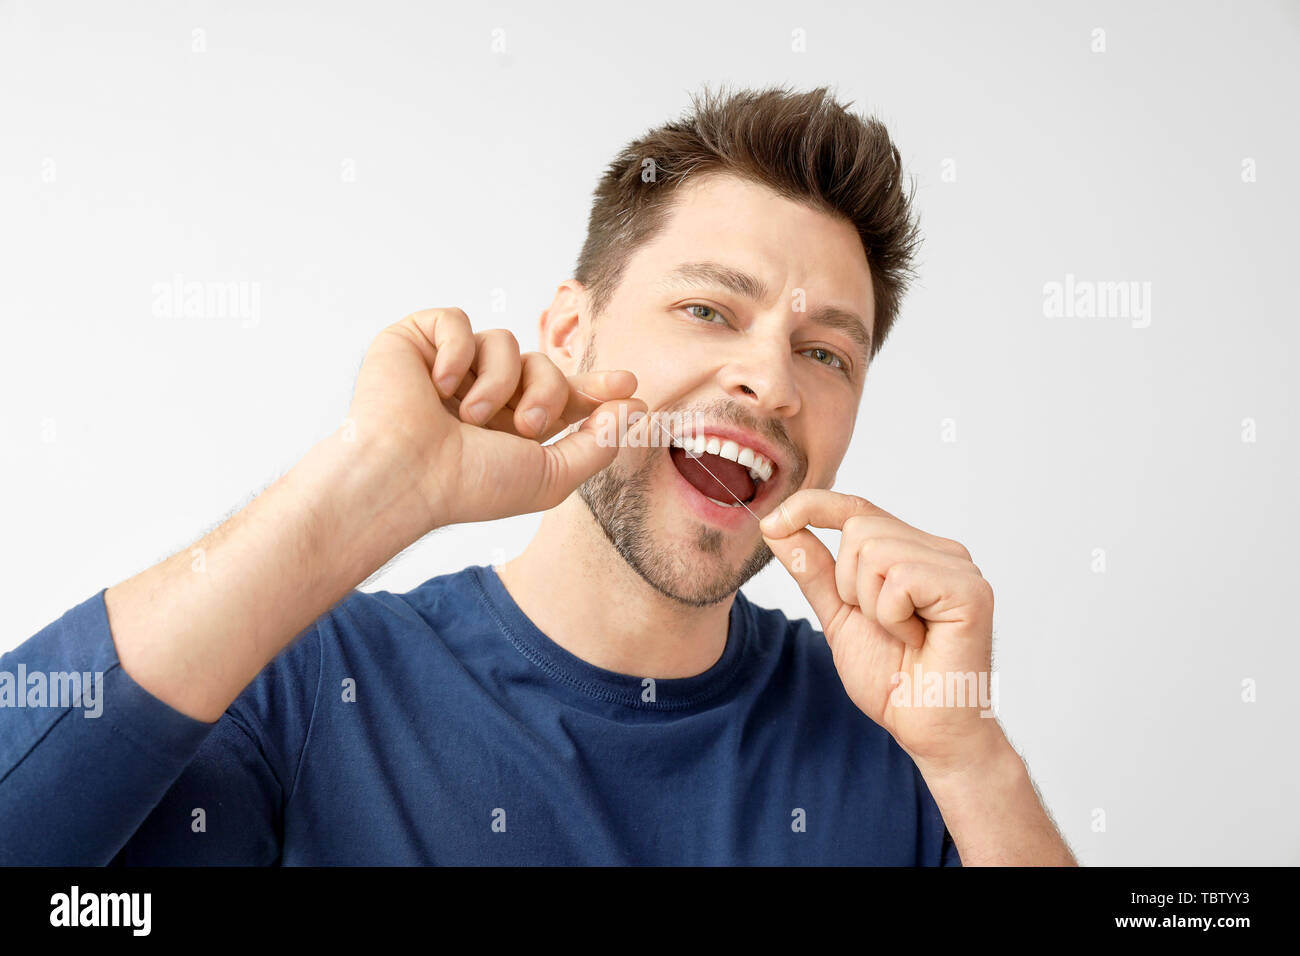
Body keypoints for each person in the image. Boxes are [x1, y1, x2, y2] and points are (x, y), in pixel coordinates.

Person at [0, 85, 1076, 865]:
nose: (770, 380)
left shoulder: (895, 736)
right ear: (571, 328)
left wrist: (973, 758)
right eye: (709, 308)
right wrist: (366, 487)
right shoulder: (314, 686)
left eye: (826, 353)